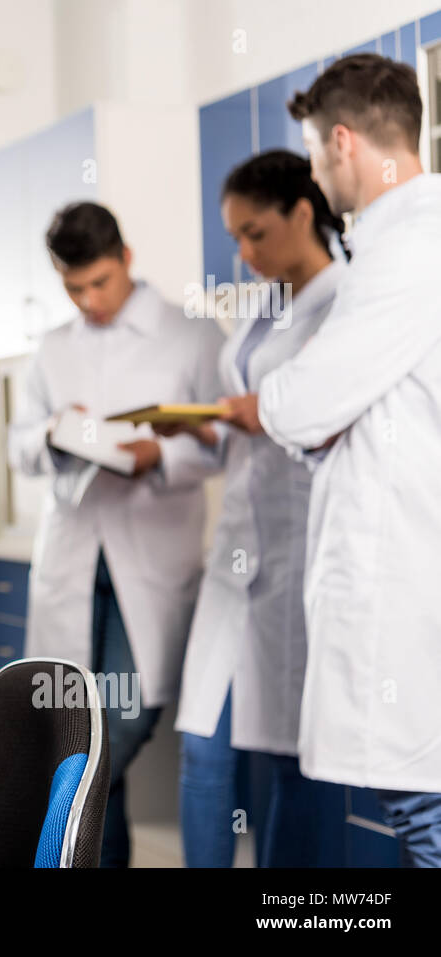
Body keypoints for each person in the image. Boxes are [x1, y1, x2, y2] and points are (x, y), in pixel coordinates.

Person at [238, 53, 441, 866]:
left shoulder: (410, 246)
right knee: (418, 805)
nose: (318, 177)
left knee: (423, 811)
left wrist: (289, 403)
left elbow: (301, 403)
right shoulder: (398, 244)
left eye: (318, 157)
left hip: (402, 571)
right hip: (395, 566)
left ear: (346, 142)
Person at [7, 201, 224, 867]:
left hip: (151, 555)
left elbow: (221, 443)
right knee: (76, 722)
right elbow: (20, 447)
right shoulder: (52, 346)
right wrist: (52, 432)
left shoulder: (191, 335)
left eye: (99, 282)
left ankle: (58, 841)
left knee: (120, 724)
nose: (89, 300)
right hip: (75, 556)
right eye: (74, 288)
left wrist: (162, 455)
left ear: (126, 258)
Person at [175, 150, 346, 867]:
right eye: (235, 238)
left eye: (255, 234)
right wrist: (201, 425)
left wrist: (267, 415)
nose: (243, 254)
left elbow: (339, 418)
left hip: (305, 550)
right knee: (202, 747)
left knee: (290, 755)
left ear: (302, 212)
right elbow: (237, 438)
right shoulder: (258, 308)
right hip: (236, 555)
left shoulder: (350, 301)